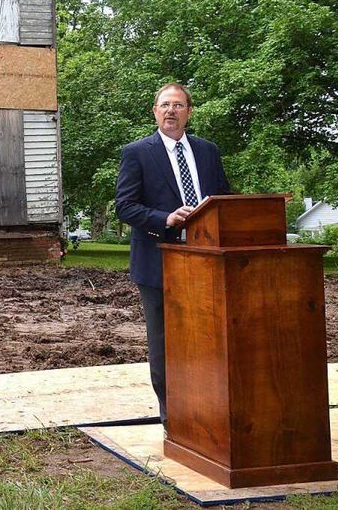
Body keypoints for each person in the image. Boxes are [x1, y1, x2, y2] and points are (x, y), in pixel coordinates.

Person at [114, 82, 231, 427]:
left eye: (178, 105)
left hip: (208, 260)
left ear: (188, 112)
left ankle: (208, 412)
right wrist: (164, 218)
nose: (171, 111)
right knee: (165, 344)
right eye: (165, 105)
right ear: (155, 111)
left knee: (207, 338)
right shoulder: (137, 152)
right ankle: (173, 420)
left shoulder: (208, 151)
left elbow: (223, 199)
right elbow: (125, 206)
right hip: (158, 260)